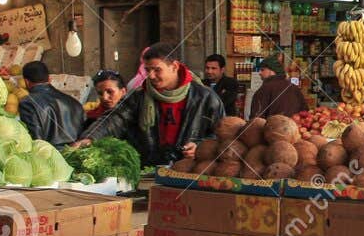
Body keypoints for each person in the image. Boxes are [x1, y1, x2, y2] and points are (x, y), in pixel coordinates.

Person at [77, 42, 224, 165]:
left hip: (189, 172)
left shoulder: (205, 98)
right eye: (147, 70)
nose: (151, 76)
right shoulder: (139, 97)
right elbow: (114, 119)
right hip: (149, 170)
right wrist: (89, 137)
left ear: (174, 67)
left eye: (157, 70)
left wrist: (200, 146)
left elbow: (221, 135)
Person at [17, 61, 85, 148]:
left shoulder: (28, 103)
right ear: (49, 79)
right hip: (76, 157)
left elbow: (36, 142)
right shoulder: (75, 103)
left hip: (51, 158)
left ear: (26, 82)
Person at [247, 56, 307, 121]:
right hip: (295, 128)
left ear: (272, 71)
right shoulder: (294, 88)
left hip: (273, 129)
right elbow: (305, 113)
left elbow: (256, 120)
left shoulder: (264, 89)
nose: (259, 73)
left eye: (262, 70)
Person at [203, 54, 244, 118]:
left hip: (225, 122)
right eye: (207, 68)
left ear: (222, 70)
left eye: (213, 68)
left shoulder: (230, 83)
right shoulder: (202, 83)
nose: (209, 71)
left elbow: (221, 103)